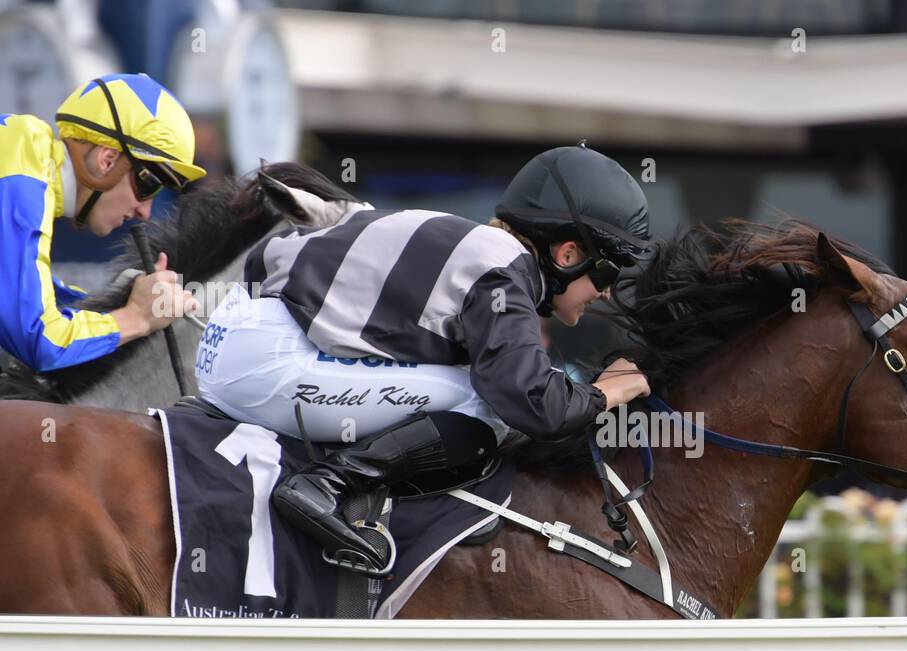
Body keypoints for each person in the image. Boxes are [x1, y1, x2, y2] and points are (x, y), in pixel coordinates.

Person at [195, 143, 654, 574]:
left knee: (466, 384)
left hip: (235, 339)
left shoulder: (470, 239)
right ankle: (327, 485)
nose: (608, 290)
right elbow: (532, 402)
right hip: (261, 360)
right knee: (486, 407)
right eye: (608, 270)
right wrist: (605, 391)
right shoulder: (506, 271)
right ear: (568, 253)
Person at [0, 73, 201, 372]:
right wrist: (137, 317)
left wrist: (118, 301)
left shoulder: (26, 158)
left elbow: (31, 300)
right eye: (149, 186)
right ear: (106, 160)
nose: (145, 211)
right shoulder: (23, 176)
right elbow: (40, 339)